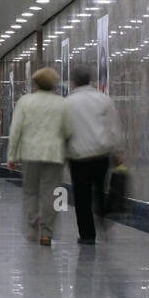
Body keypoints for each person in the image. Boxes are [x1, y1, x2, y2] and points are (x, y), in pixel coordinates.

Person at [7, 67, 71, 246]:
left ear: (35, 83)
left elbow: (15, 130)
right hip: (54, 154)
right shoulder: (62, 103)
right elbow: (69, 130)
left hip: (30, 154)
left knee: (30, 192)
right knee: (51, 194)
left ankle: (32, 220)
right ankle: (46, 233)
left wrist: (12, 156)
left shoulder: (25, 102)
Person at [65, 66, 120, 245]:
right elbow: (113, 127)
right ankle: (104, 213)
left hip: (78, 157)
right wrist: (117, 151)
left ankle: (87, 235)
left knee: (82, 197)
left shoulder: (68, 102)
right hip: (101, 155)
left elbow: (64, 130)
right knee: (100, 189)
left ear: (74, 82)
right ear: (89, 80)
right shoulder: (103, 99)